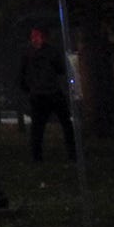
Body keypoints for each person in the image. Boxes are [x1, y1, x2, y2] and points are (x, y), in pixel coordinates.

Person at [17, 25, 76, 162]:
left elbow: (60, 69)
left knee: (65, 123)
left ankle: (72, 153)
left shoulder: (50, 52)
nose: (34, 39)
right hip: (39, 94)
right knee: (38, 126)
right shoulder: (28, 54)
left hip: (52, 92)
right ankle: (37, 156)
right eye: (33, 36)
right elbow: (22, 73)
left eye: (36, 36)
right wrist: (29, 88)